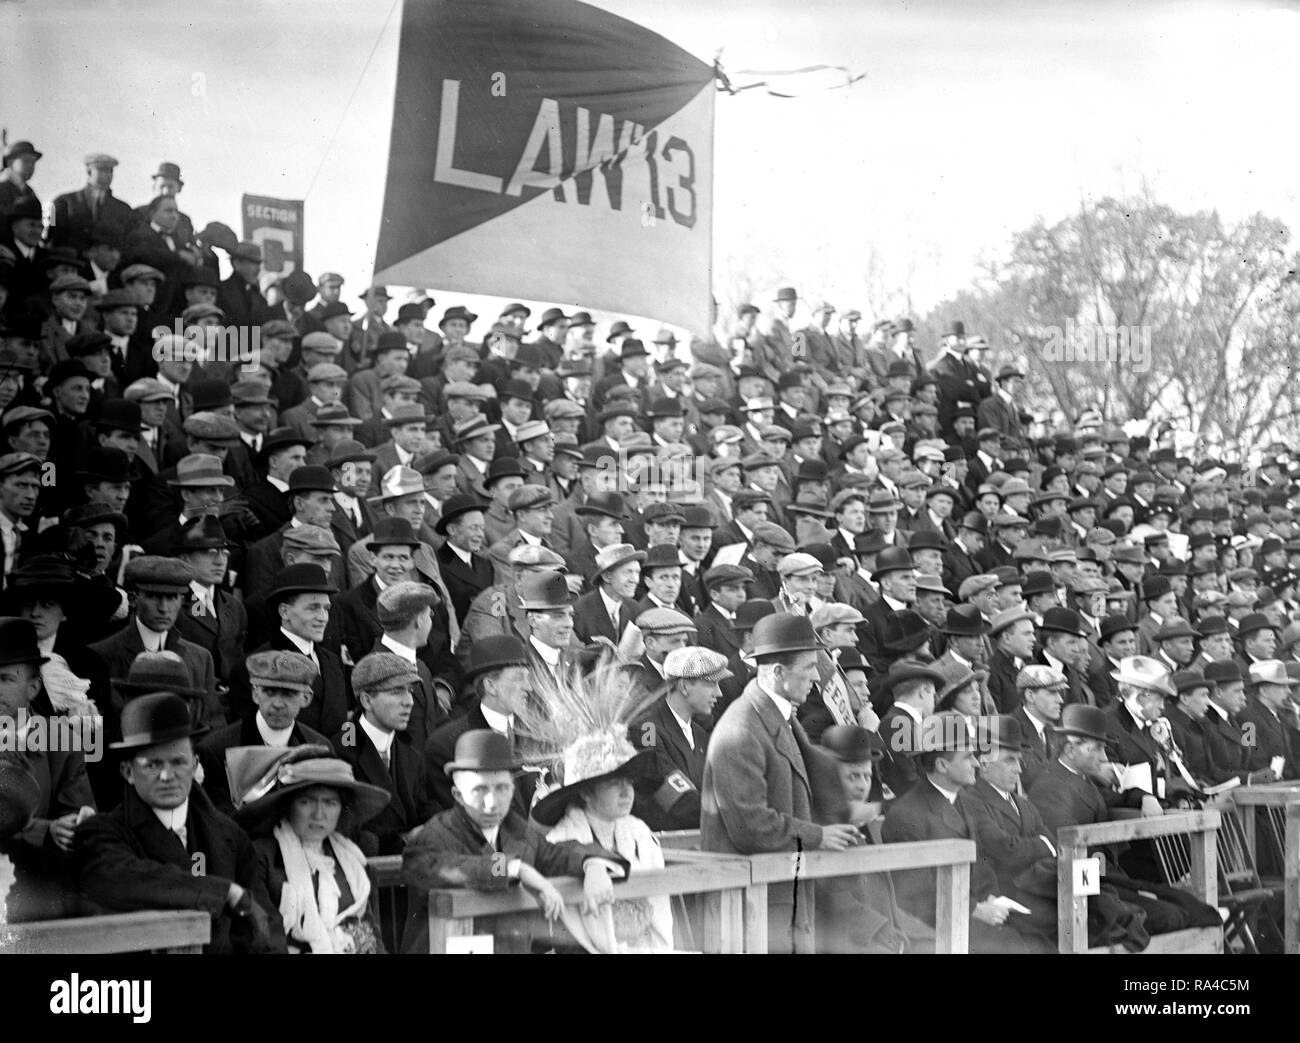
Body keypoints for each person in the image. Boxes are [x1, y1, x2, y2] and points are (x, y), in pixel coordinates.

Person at [72, 692, 285, 953]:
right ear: (128, 772)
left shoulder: (230, 835)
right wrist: (224, 892)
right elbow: (126, 879)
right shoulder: (101, 832)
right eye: (152, 765)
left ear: (194, 765)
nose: (167, 775)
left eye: (178, 762)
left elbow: (265, 925)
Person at [700, 612, 862, 953]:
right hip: (754, 908)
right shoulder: (740, 732)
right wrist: (819, 835)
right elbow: (750, 825)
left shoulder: (778, 716)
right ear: (777, 673)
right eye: (808, 668)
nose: (816, 677)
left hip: (778, 896)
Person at [400, 730, 629, 953]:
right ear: (457, 794)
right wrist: (512, 868)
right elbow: (435, 866)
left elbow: (560, 854)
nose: (492, 802)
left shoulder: (516, 830)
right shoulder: (434, 836)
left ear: (512, 789)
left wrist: (594, 865)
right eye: (479, 790)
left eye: (501, 788)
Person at [229, 744, 390, 953]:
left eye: (330, 802)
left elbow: (371, 935)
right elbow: (260, 935)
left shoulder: (351, 860)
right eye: (306, 801)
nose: (319, 814)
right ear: (288, 805)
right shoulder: (262, 857)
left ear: (342, 808)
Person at [0, 617, 95, 922]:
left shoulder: (62, 741)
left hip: (39, 888)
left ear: (33, 687)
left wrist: (70, 827)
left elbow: (81, 819)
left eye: (5, 679)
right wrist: (46, 831)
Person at [197, 650, 330, 814]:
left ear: (306, 698)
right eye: (269, 692)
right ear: (255, 694)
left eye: (289, 694)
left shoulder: (319, 747)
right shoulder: (216, 748)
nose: (278, 704)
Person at [331, 651, 436, 855]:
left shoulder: (411, 752)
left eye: (410, 691)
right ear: (367, 701)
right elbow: (344, 828)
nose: (409, 702)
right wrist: (403, 840)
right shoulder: (339, 750)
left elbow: (424, 805)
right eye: (397, 692)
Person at [631, 646, 730, 830]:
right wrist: (728, 817)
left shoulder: (700, 734)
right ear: (684, 687)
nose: (719, 693)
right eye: (710, 684)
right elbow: (661, 784)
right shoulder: (647, 727)